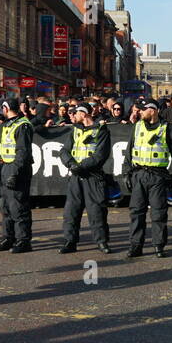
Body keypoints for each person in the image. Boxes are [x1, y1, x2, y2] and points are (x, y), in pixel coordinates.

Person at [127, 98, 172, 258]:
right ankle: (135, 246)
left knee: (158, 213)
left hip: (158, 176)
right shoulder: (137, 126)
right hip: (139, 174)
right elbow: (129, 150)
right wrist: (127, 172)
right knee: (136, 212)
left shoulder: (167, 128)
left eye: (142, 109)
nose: (139, 112)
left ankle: (159, 245)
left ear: (152, 110)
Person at [58, 102, 112, 254]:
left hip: (92, 177)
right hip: (76, 177)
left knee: (97, 211)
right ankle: (70, 242)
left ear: (83, 114)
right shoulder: (74, 130)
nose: (72, 116)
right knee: (71, 212)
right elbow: (64, 151)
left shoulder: (101, 131)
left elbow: (100, 156)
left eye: (75, 113)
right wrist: (71, 164)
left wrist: (80, 166)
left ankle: (102, 242)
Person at [0, 99, 34, 254]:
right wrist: (1, 167)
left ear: (6, 108)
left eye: (2, 108)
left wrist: (14, 173)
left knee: (18, 206)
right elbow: (7, 150)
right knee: (5, 206)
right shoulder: (8, 124)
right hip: (7, 167)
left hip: (18, 169)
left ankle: (23, 240)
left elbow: (22, 152)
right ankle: (8, 237)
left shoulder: (22, 125)